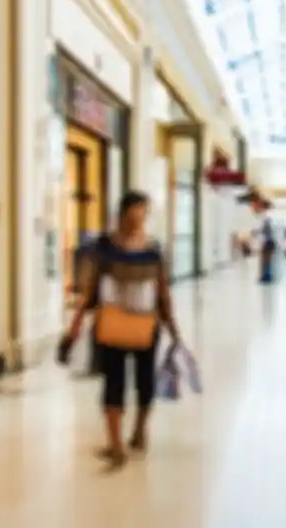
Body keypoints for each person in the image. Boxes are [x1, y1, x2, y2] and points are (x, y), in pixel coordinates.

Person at [65, 191, 181, 467]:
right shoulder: (103, 247)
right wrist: (76, 324)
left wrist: (171, 323)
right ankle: (115, 443)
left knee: (145, 380)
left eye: (143, 214)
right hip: (112, 322)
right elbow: (90, 288)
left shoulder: (153, 249)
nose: (138, 221)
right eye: (134, 214)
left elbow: (162, 289)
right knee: (113, 381)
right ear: (122, 214)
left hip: (146, 323)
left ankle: (140, 429)